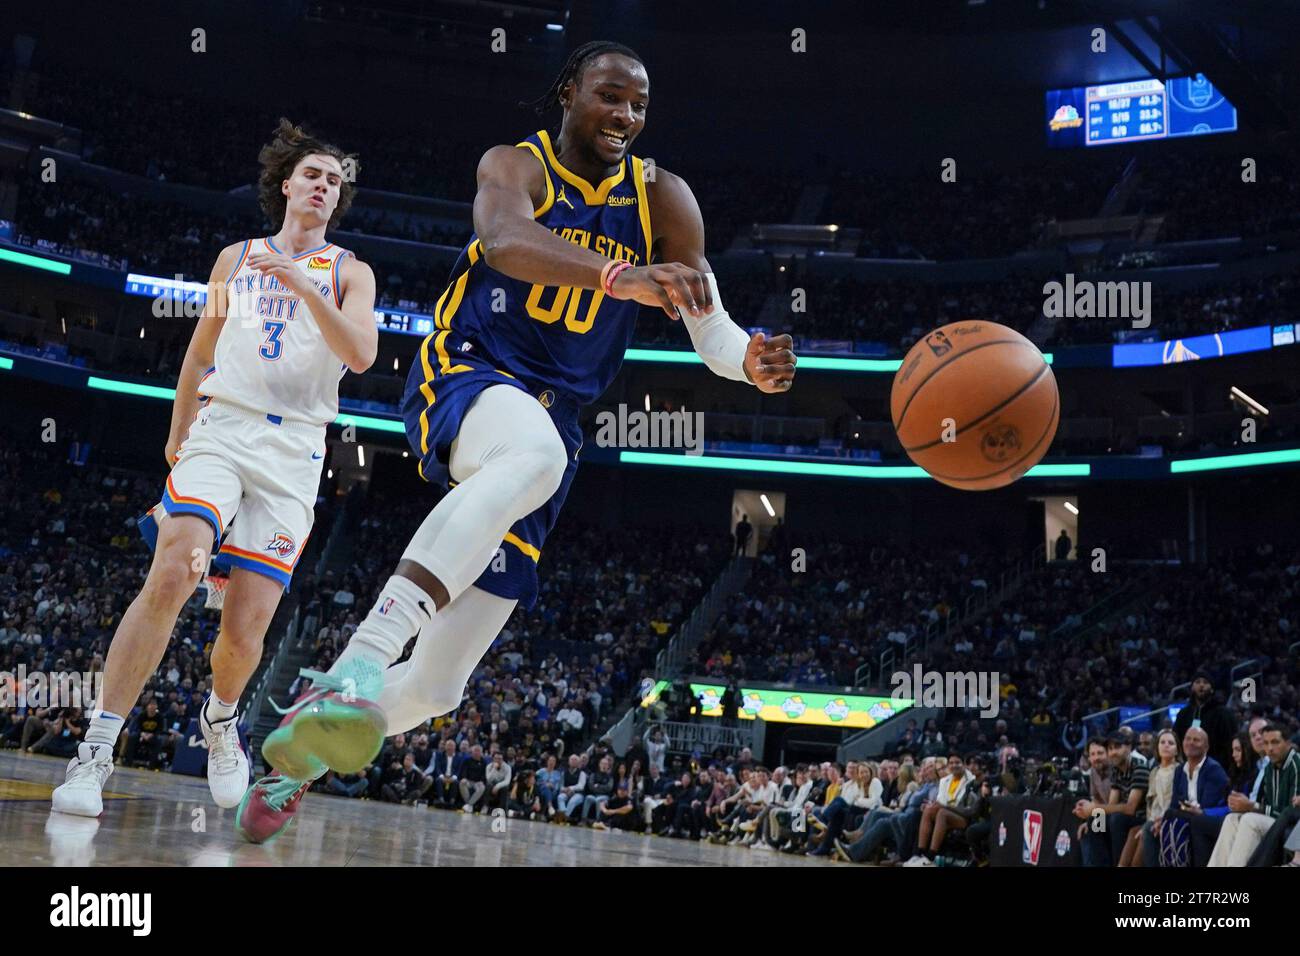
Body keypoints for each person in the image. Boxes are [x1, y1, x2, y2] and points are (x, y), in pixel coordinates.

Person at [241, 40, 797, 843]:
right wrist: (618, 277)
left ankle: (297, 758)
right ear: (570, 91)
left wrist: (746, 360)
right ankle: (362, 655)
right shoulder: (516, 164)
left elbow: (705, 322)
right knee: (529, 454)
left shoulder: (666, 198)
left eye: (639, 106)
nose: (625, 117)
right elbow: (503, 242)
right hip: (470, 366)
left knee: (440, 686)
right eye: (610, 96)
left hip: (555, 421)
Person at [52, 119, 377, 819]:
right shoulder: (236, 258)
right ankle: (96, 751)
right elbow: (199, 356)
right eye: (313, 174)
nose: (323, 185)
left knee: (244, 632)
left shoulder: (350, 270)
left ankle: (222, 719)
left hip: (296, 455)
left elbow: (360, 354)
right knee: (176, 568)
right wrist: (178, 433)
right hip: (223, 430)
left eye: (334, 179)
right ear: (288, 184)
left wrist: (302, 281)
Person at [1209, 723, 1300, 866]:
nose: (1270, 748)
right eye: (1266, 743)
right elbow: (1259, 802)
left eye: (1275, 742)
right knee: (1232, 818)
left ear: (1288, 743)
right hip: (1272, 819)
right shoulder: (1269, 766)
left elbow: (1292, 812)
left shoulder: (1296, 764)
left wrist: (1253, 806)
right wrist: (1242, 805)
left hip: (1290, 825)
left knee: (1250, 820)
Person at [1078, 731, 1149, 866]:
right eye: (1110, 749)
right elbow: (1111, 805)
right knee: (1097, 819)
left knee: (1116, 819)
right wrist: (1092, 813)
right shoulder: (1117, 770)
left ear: (1128, 748)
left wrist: (1094, 808)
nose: (1113, 752)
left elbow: (1130, 808)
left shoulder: (1139, 767)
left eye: (1117, 747)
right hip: (1123, 816)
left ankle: (1117, 863)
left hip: (1141, 817)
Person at [1172, 669, 1238, 771]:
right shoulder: (1183, 714)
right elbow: (1176, 740)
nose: (1201, 685)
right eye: (1197, 682)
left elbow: (1229, 744)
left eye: (1205, 682)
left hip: (1216, 769)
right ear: (1192, 687)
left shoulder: (1223, 714)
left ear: (1212, 689)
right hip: (1188, 768)